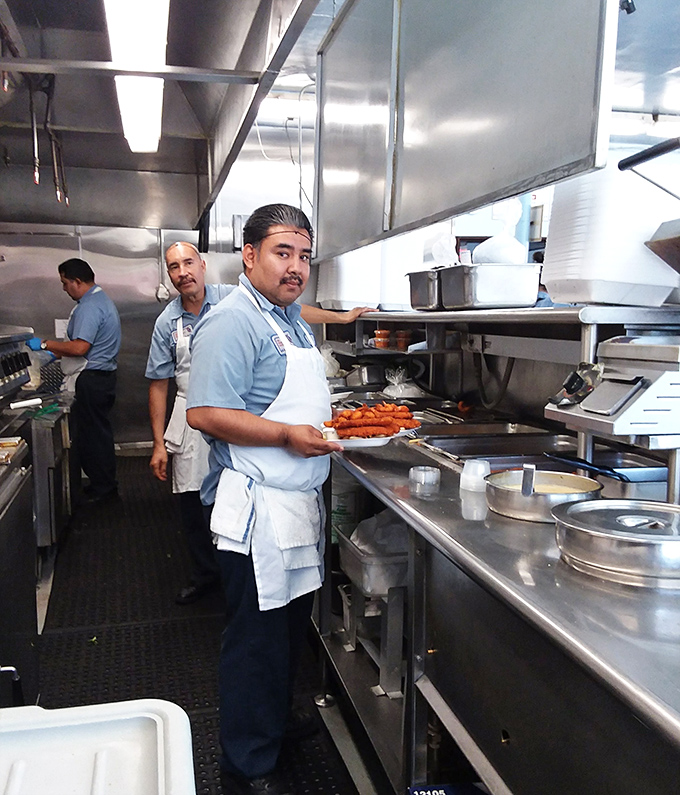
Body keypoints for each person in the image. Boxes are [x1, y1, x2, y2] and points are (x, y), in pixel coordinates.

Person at [186, 204, 342, 795]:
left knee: (285, 628)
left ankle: (273, 724)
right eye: (283, 252)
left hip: (295, 504)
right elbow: (205, 413)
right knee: (254, 637)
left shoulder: (290, 318)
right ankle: (247, 762)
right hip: (256, 509)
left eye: (304, 256)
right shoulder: (233, 321)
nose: (296, 267)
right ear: (249, 255)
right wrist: (283, 434)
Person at [146, 241, 372, 605]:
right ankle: (208, 574)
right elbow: (162, 385)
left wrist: (342, 319)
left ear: (202, 266)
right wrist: (158, 442)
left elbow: (300, 311)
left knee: (276, 625)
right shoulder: (200, 319)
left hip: (281, 476)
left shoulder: (246, 302)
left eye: (303, 256)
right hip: (203, 420)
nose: (183, 272)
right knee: (194, 502)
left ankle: (225, 572)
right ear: (250, 257)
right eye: (174, 267)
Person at [27, 258, 121, 504]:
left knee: (94, 436)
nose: (64, 288)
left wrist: (46, 343)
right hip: (101, 378)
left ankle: (104, 490)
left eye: (65, 282)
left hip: (92, 380)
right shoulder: (98, 301)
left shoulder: (90, 307)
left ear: (77, 281)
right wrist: (50, 355)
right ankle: (103, 485)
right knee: (96, 433)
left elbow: (80, 347)